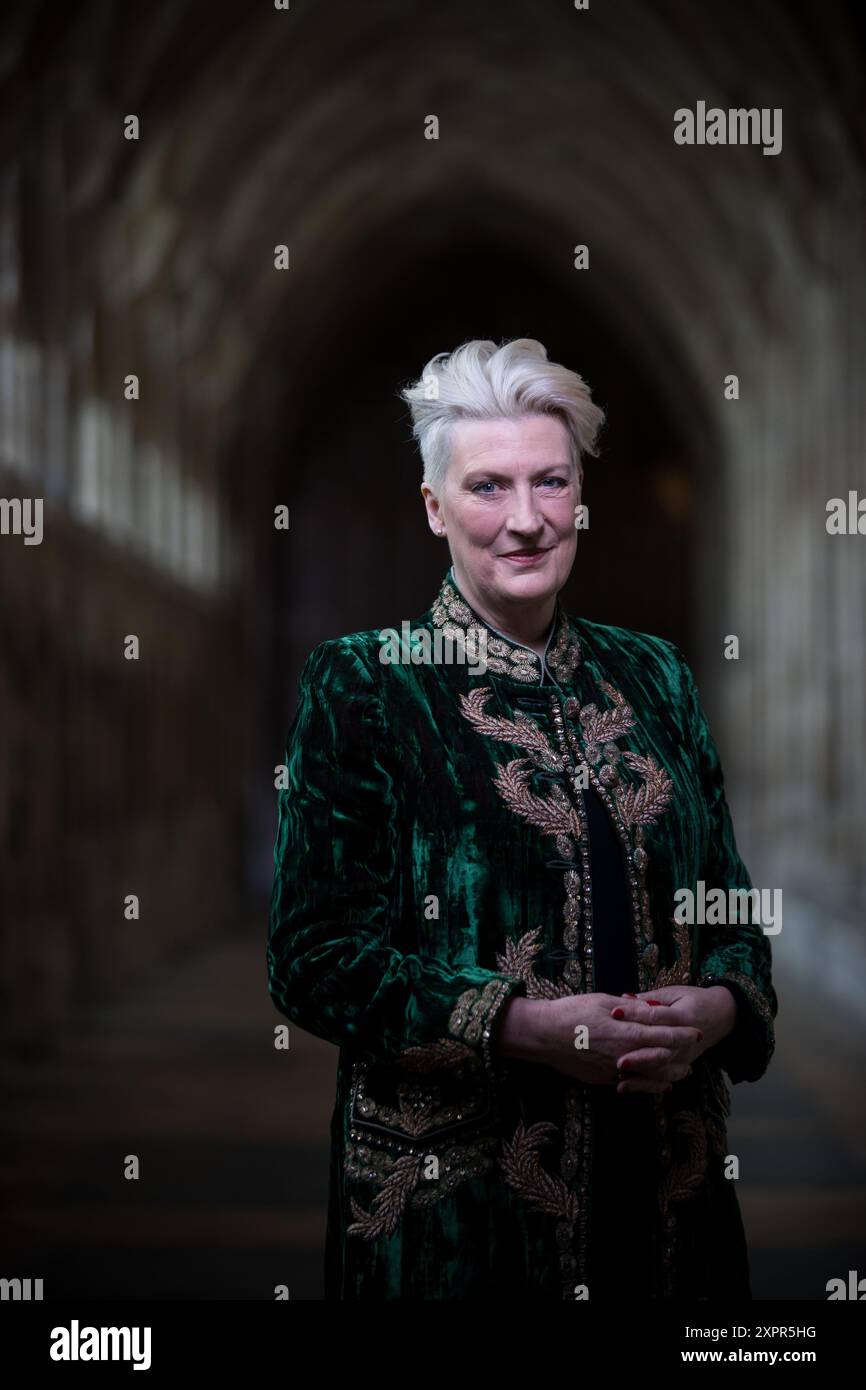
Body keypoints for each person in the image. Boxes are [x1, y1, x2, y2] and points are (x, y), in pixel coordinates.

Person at [267, 337, 778, 1301]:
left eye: (550, 483)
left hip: (668, 1182)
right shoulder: (365, 684)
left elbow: (729, 908)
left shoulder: (657, 675)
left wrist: (717, 1009)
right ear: (435, 507)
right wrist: (523, 1025)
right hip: (458, 1212)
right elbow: (312, 958)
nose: (526, 521)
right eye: (489, 488)